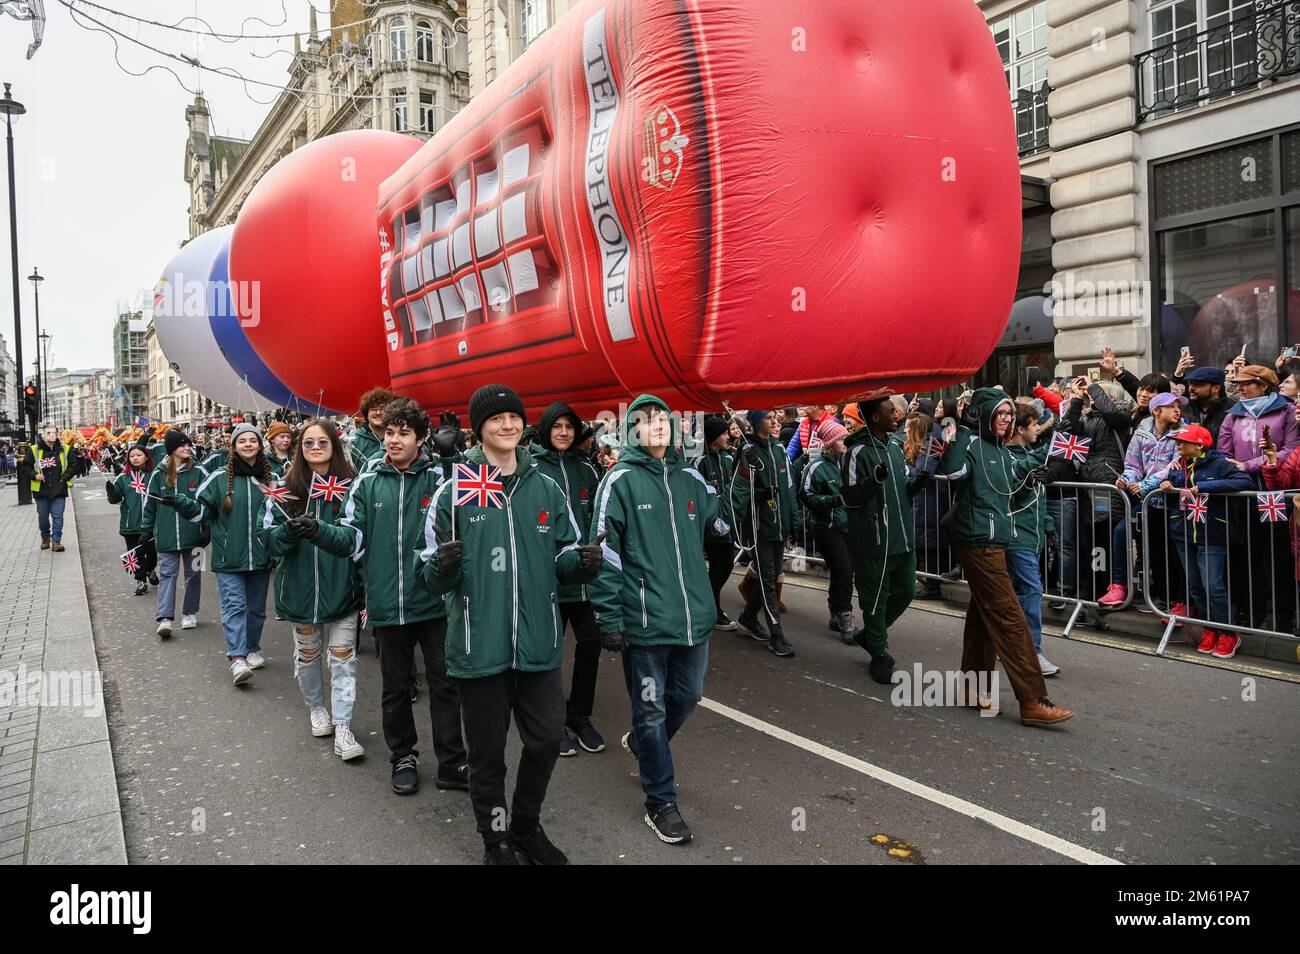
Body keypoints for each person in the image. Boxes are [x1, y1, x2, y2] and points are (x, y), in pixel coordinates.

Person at [418, 383, 603, 864]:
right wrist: (443, 567)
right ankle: (495, 840)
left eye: (514, 418)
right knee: (488, 756)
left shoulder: (545, 486)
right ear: (479, 428)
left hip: (538, 641)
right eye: (496, 419)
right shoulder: (454, 489)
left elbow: (562, 553)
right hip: (480, 647)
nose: (508, 426)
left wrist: (580, 565)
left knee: (544, 741)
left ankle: (524, 827)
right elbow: (427, 575)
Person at [305, 398, 468, 795]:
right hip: (386, 603)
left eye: (403, 433)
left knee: (446, 685)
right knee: (395, 688)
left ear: (422, 438)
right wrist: (319, 531)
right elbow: (352, 535)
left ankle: (452, 762)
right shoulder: (368, 481)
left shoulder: (439, 478)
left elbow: (469, 501)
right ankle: (403, 757)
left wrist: (452, 457)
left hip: (434, 601)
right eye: (389, 432)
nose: (393, 440)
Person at [588, 394, 727, 846]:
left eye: (665, 421)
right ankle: (660, 801)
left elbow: (721, 519)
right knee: (649, 711)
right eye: (647, 422)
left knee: (687, 697)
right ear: (632, 431)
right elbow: (604, 555)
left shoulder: (689, 477)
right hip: (645, 623)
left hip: (694, 619)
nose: (659, 427)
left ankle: (646, 744)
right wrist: (610, 617)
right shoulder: (620, 481)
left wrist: (734, 469)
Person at [938, 388, 1074, 727]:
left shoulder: (1000, 450)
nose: (1006, 418)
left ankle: (971, 687)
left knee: (984, 614)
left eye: (1009, 413)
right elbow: (952, 474)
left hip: (998, 540)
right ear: (983, 414)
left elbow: (1011, 489)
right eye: (999, 412)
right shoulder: (970, 443)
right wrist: (954, 427)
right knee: (1010, 615)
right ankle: (1032, 700)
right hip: (976, 539)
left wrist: (1035, 477)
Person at [267, 420, 364, 761]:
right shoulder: (284, 487)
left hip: (342, 591)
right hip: (300, 593)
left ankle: (344, 726)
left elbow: (355, 538)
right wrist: (288, 533)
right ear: (299, 448)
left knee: (343, 659)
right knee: (308, 655)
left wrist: (320, 530)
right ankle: (316, 708)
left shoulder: (353, 487)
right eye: (308, 443)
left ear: (335, 445)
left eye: (323, 441)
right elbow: (267, 542)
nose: (316, 448)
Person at [165, 423, 276, 684]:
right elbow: (203, 513)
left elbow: (281, 514)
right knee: (235, 606)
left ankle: (252, 648)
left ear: (260, 445)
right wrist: (182, 504)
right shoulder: (217, 478)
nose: (248, 445)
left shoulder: (272, 478)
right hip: (229, 558)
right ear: (233, 446)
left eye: (253, 440)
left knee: (258, 609)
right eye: (242, 441)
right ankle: (237, 658)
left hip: (261, 556)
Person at [531, 400, 608, 757]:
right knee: (549, 651)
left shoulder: (588, 471)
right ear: (546, 429)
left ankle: (579, 715)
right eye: (557, 426)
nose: (563, 433)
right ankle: (551, 720)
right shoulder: (531, 468)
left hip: (584, 580)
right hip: (548, 579)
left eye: (569, 427)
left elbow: (597, 519)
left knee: (592, 641)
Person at [841, 398, 923, 683]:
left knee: (905, 592)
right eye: (890, 411)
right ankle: (878, 652)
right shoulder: (857, 453)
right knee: (874, 600)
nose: (897, 414)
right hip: (874, 541)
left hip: (902, 539)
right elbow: (850, 498)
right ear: (875, 417)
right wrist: (872, 481)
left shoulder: (895, 448)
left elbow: (903, 490)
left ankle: (871, 635)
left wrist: (918, 483)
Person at [1159, 424, 1256, 658]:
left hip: (1211, 534)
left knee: (1213, 586)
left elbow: (1245, 482)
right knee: (1195, 587)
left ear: (1199, 445)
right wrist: (1167, 485)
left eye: (1183, 442)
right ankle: (1209, 629)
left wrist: (1204, 487)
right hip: (1182, 533)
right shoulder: (1178, 465)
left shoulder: (1220, 463)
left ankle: (1228, 633)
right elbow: (1172, 488)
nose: (1178, 445)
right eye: (1177, 442)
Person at [1110, 392, 1187, 619]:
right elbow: (1133, 464)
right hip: (1149, 501)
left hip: (1173, 499)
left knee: (1171, 551)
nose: (1177, 410)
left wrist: (1144, 485)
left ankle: (1179, 601)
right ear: (1156, 411)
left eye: (1178, 406)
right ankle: (1120, 586)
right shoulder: (1141, 434)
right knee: (1126, 532)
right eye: (1171, 406)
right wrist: (1127, 480)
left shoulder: (1182, 433)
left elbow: (1175, 465)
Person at [734, 409, 796, 655]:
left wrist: (794, 521)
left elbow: (789, 487)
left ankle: (749, 617)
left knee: (768, 578)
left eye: (775, 416)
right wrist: (759, 495)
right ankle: (776, 635)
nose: (774, 420)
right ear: (756, 421)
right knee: (769, 579)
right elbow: (738, 490)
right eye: (768, 417)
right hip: (760, 525)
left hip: (779, 525)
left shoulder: (779, 449)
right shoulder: (747, 450)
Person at [1004, 404, 1060, 677]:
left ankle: (1010, 648)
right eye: (1034, 424)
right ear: (1019, 430)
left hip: (1033, 535)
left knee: (1017, 594)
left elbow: (1037, 500)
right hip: (1016, 536)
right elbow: (1013, 487)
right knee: (1030, 592)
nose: (1038, 429)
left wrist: (1049, 526)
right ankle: (1031, 652)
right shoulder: (1006, 455)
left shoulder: (1027, 454)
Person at [139, 430, 206, 637]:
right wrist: (146, 531)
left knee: (194, 575)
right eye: (182, 445)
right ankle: (165, 618)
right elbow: (149, 506)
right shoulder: (158, 474)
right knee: (168, 575)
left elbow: (208, 502)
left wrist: (207, 528)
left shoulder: (200, 472)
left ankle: (190, 613)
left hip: (196, 537)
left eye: (189, 445)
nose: (187, 448)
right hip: (166, 538)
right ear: (171, 450)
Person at [799, 419, 857, 644]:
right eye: (842, 439)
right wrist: (832, 501)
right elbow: (805, 495)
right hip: (826, 528)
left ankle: (835, 613)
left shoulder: (849, 462)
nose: (846, 442)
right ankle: (844, 616)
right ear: (830, 442)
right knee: (843, 571)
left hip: (848, 526)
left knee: (842, 571)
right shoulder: (816, 467)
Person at [693, 415, 748, 631]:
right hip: (709, 524)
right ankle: (712, 610)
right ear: (713, 436)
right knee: (720, 565)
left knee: (725, 565)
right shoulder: (699, 461)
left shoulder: (727, 458)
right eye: (723, 433)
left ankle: (709, 605)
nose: (727, 436)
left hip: (726, 521)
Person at [105, 441, 157, 596]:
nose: (135, 458)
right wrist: (111, 492)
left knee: (152, 552)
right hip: (130, 524)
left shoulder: (154, 476)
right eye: (132, 456)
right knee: (134, 554)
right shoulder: (122, 478)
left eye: (139, 455)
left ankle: (150, 569)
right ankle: (140, 581)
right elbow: (116, 500)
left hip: (151, 524)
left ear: (146, 457)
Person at [24, 423, 79, 551]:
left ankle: (56, 541)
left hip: (59, 488)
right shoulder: (33, 450)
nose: (51, 435)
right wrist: (34, 475)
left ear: (57, 434)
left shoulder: (66, 449)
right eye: (48, 433)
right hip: (41, 490)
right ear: (43, 435)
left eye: (54, 432)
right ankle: (45, 537)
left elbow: (73, 466)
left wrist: (64, 478)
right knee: (43, 517)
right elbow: (25, 467)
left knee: (58, 516)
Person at [1178, 367, 1233, 446]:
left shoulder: (1231, 410)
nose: (1191, 389)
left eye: (1198, 385)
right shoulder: (1183, 408)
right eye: (1190, 384)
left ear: (1216, 388)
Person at [348, 388, 395, 472]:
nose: (378, 412)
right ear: (367, 413)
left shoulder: (398, 440)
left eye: (383, 408)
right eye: (373, 409)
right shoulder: (353, 441)